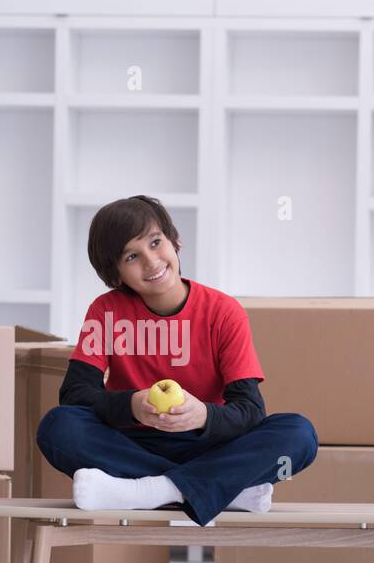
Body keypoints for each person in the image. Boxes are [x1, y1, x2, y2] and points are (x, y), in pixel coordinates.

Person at [35, 195, 319, 527]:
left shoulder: (223, 312)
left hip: (210, 445)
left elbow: (250, 412)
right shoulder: (106, 311)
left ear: (175, 241)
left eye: (156, 242)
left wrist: (203, 416)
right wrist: (132, 405)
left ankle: (148, 490)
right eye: (132, 256)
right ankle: (223, 489)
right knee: (58, 427)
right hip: (133, 443)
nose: (152, 262)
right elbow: (74, 396)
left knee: (299, 434)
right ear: (116, 273)